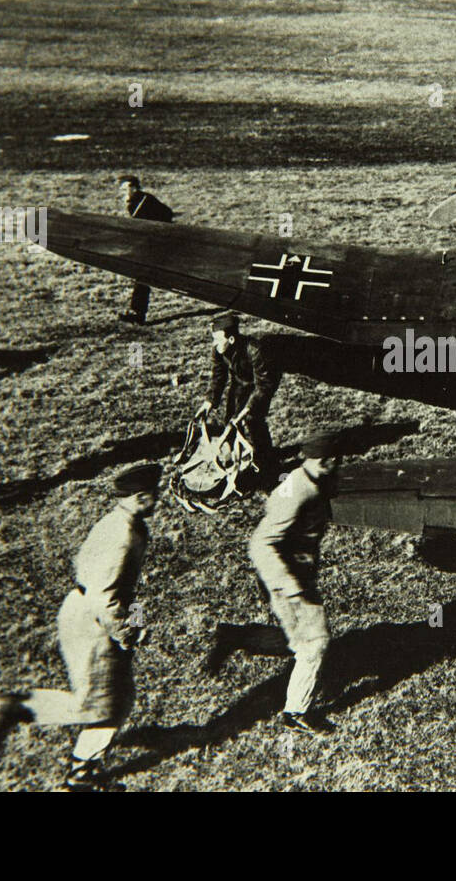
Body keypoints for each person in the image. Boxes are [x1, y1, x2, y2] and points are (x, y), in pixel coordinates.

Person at [0, 463, 162, 791]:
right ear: (140, 497)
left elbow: (118, 586)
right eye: (154, 495)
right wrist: (127, 632)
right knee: (95, 704)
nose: (158, 500)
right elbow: (104, 597)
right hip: (93, 621)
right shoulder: (123, 536)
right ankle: (20, 709)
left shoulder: (119, 522)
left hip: (86, 609)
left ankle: (83, 771)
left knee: (118, 701)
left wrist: (135, 620)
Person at [247, 431, 344, 737]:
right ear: (324, 461)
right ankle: (296, 712)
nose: (337, 465)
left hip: (296, 575)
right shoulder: (296, 492)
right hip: (288, 580)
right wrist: (289, 585)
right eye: (333, 460)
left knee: (301, 640)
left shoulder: (313, 481)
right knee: (314, 643)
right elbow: (261, 544)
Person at [204, 312, 277, 475]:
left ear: (231, 340)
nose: (214, 344)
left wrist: (247, 409)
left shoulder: (256, 351)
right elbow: (218, 376)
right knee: (230, 417)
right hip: (241, 382)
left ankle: (267, 462)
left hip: (262, 383)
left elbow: (263, 386)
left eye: (217, 339)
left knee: (253, 419)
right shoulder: (219, 349)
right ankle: (230, 457)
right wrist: (209, 401)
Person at [117, 175, 174, 325]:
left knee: (143, 278)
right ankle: (137, 313)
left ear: (134, 188)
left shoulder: (145, 201)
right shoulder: (136, 201)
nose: (122, 192)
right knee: (142, 278)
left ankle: (138, 313)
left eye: (125, 188)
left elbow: (167, 213)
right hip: (149, 245)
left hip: (157, 245)